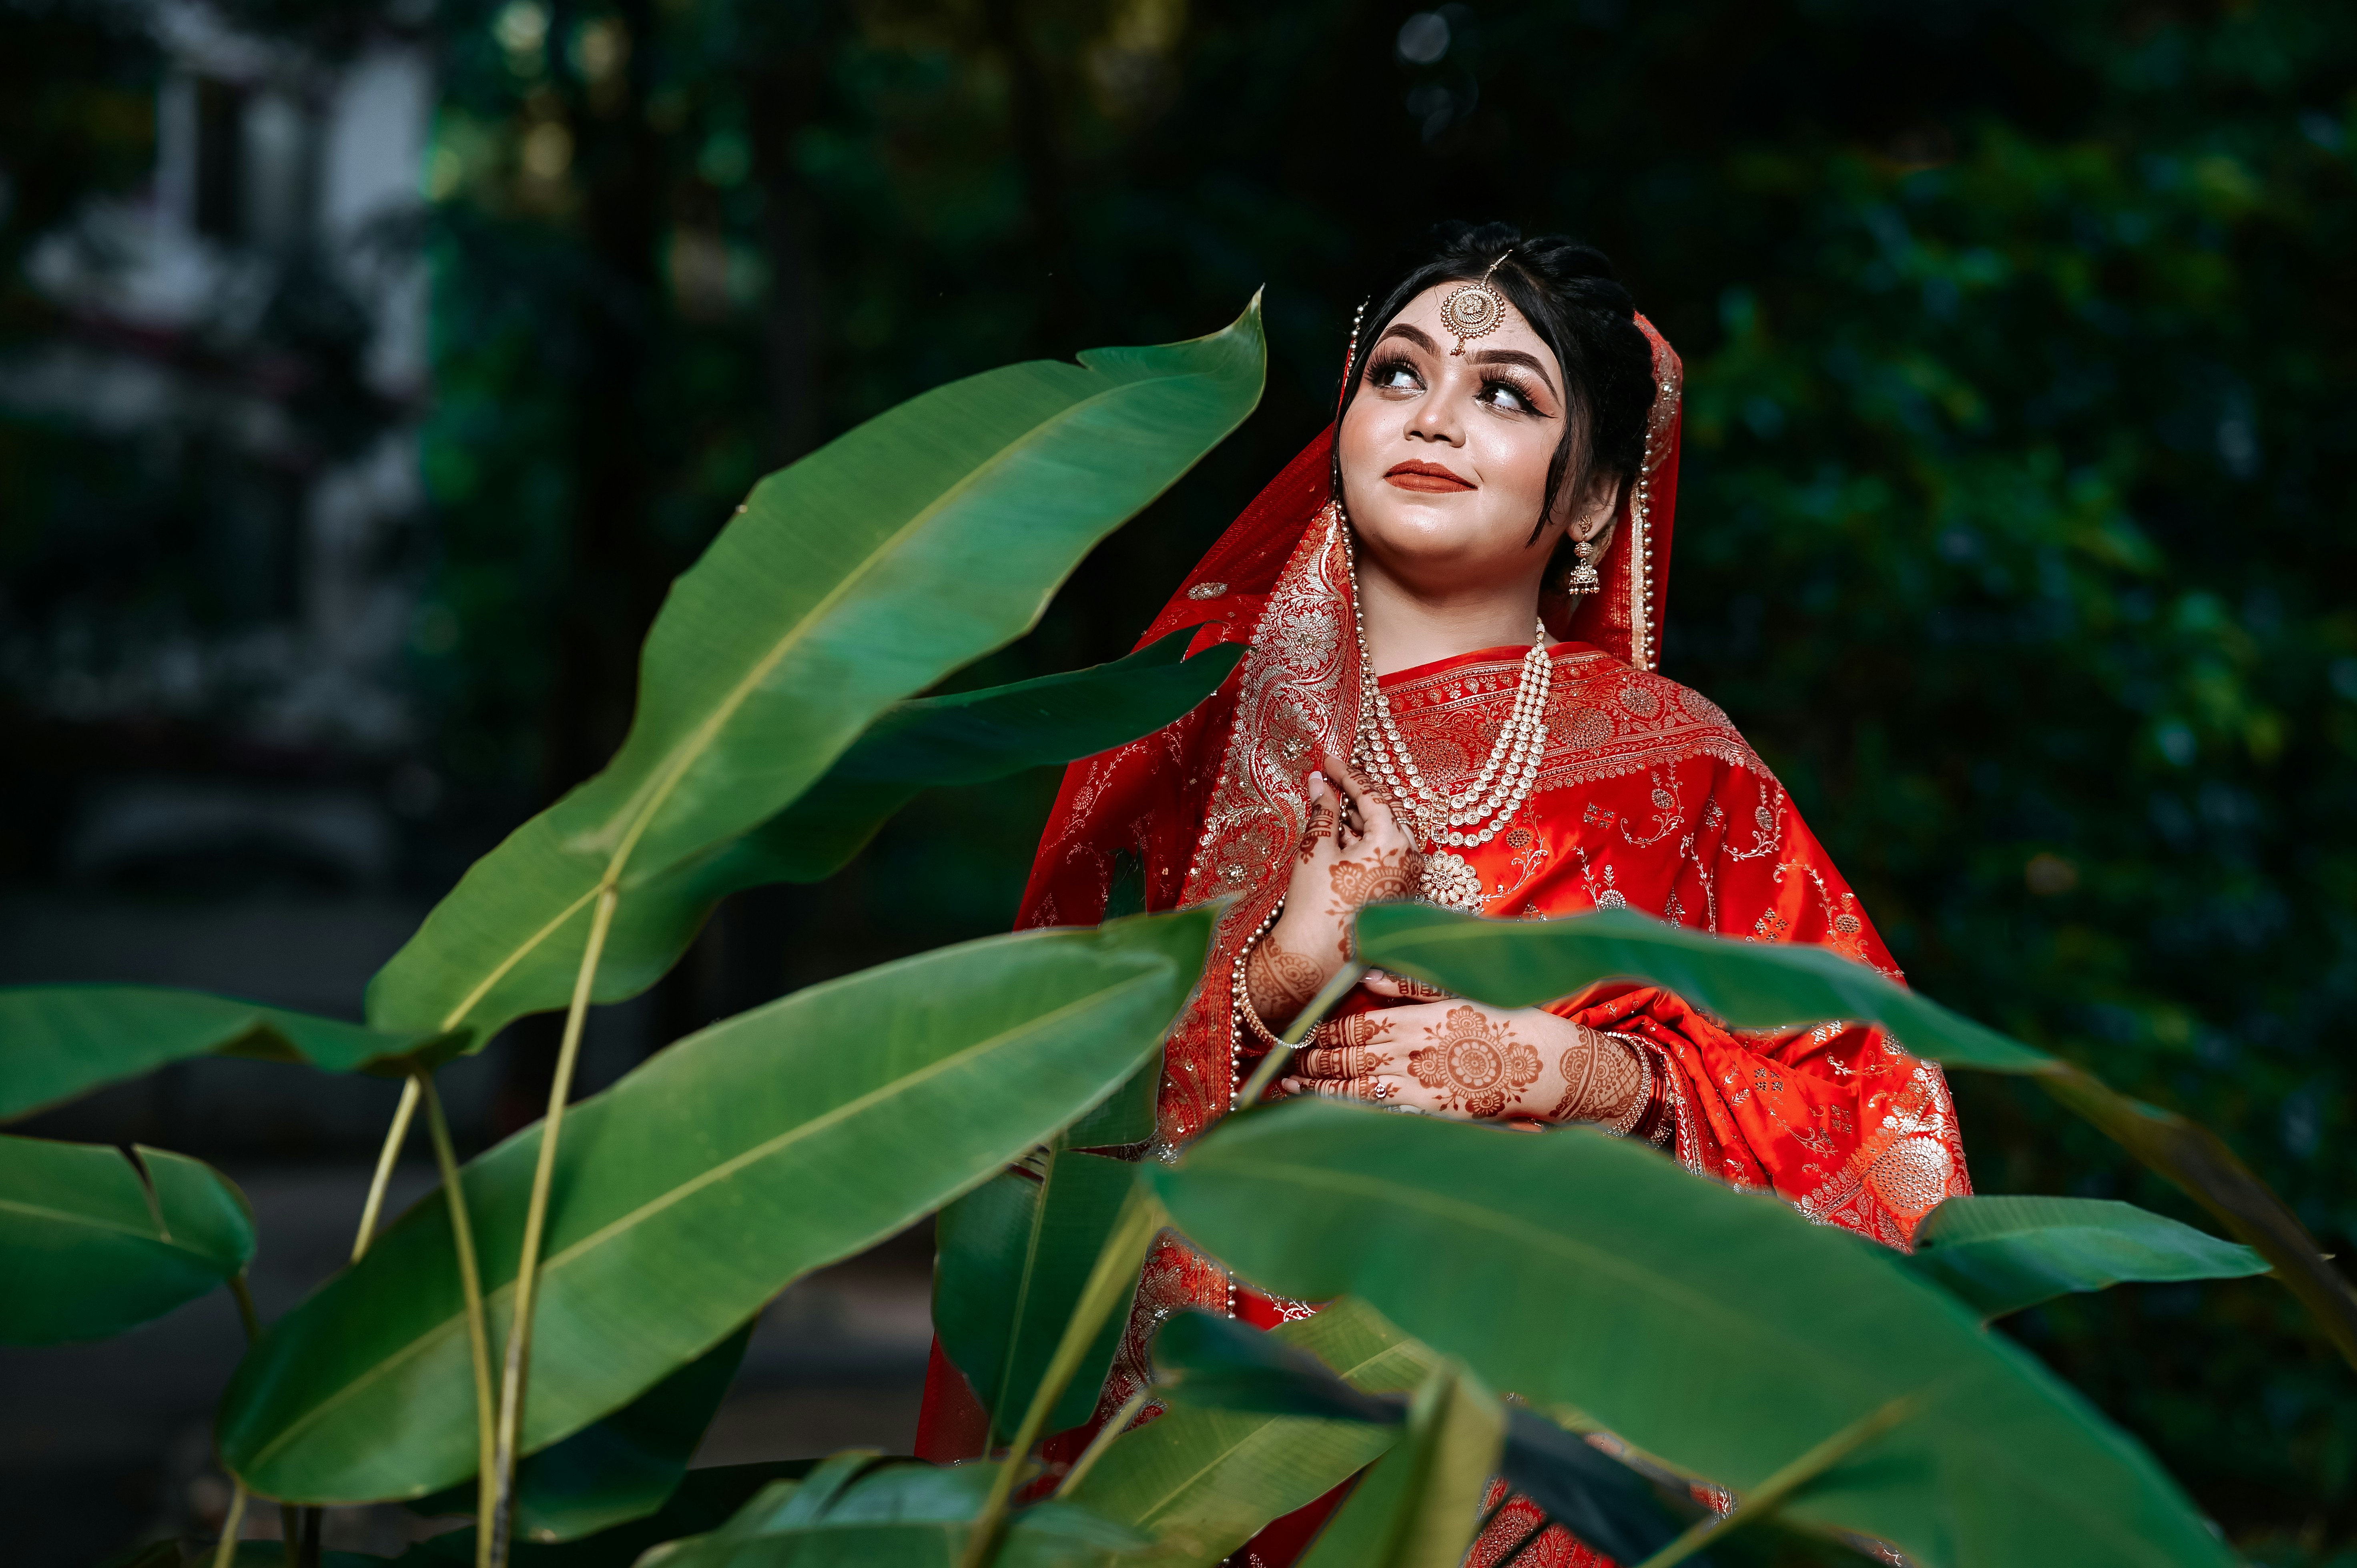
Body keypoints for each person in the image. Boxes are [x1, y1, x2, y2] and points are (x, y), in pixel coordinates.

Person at [917, 221, 1972, 1567]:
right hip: (1218, 1458)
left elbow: (1873, 1108)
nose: (1435, 417)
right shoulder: (1183, 720)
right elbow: (1034, 1093)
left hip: (1562, 1463)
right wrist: (1274, 976)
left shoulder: (1687, 772)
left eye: (1507, 395)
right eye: (1399, 374)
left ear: (1591, 499)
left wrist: (1581, 1072)